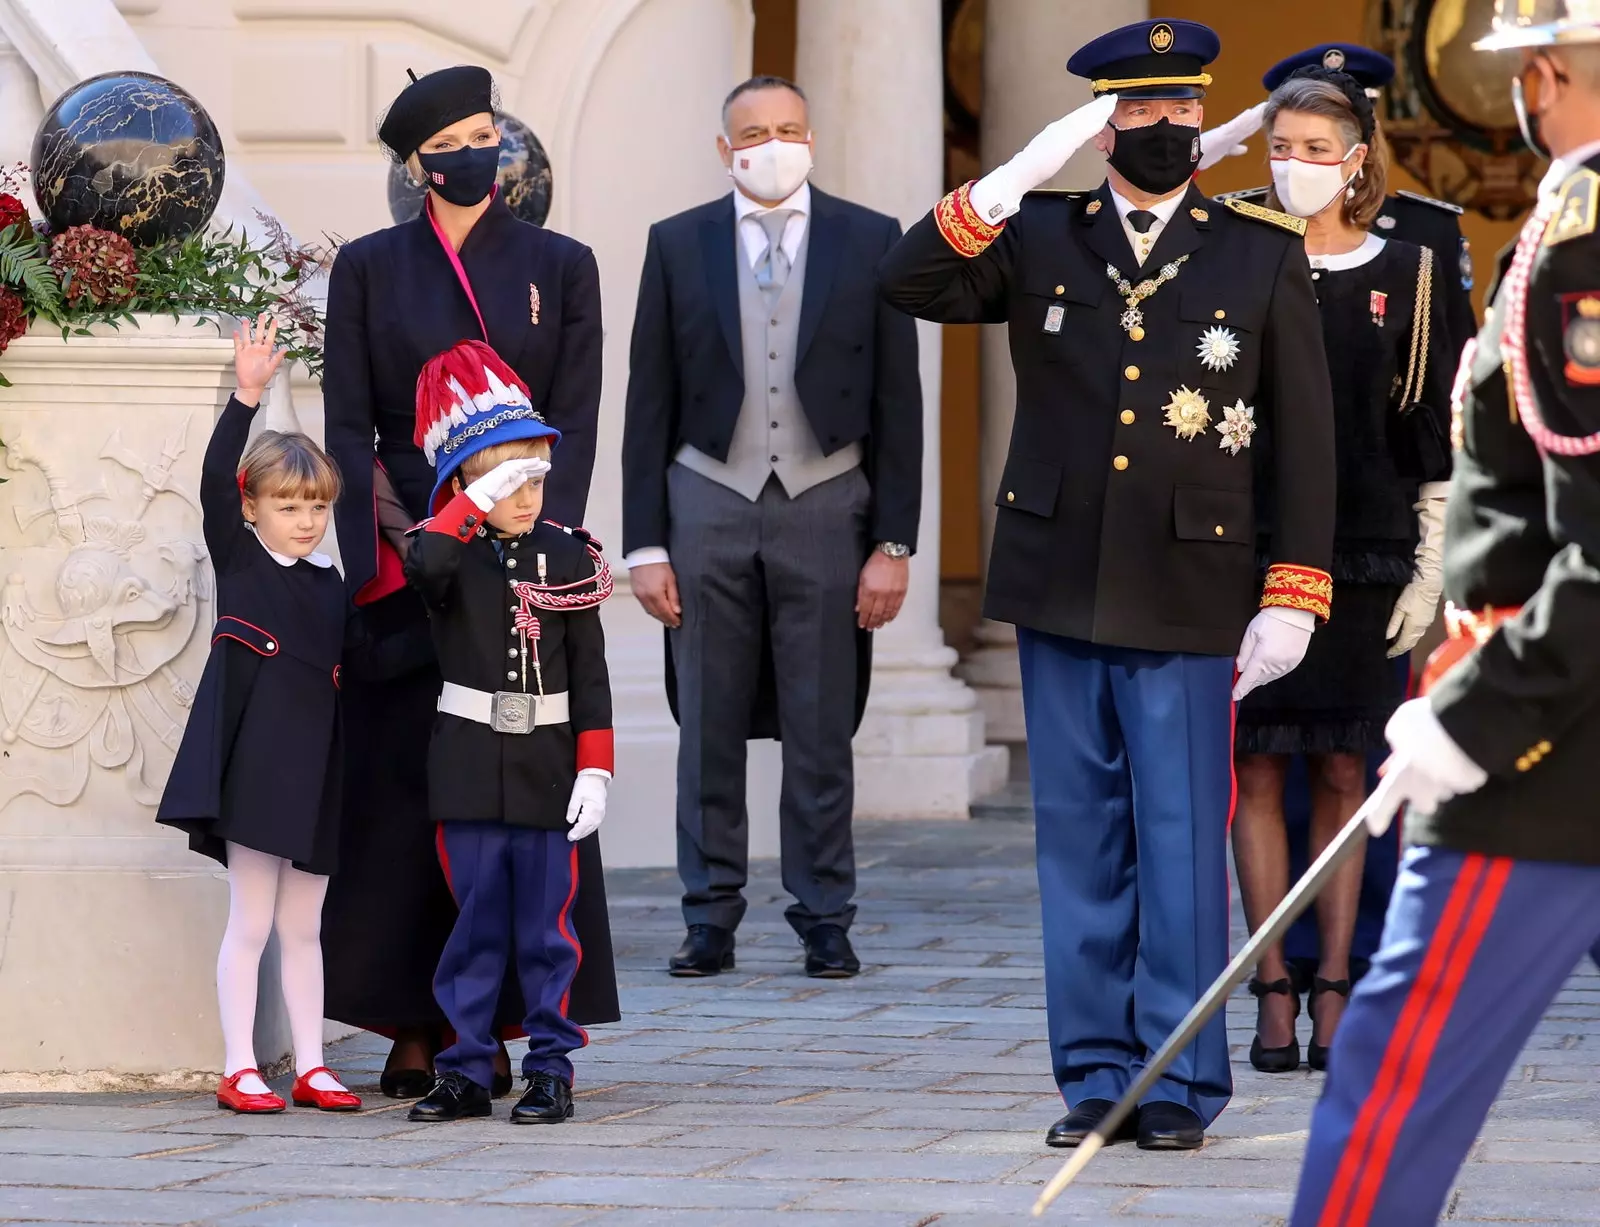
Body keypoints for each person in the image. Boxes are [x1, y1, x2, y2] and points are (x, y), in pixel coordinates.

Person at [879, 19, 1336, 1152]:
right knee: (1077, 841)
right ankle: (1094, 1074)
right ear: (1100, 130)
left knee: (1180, 841)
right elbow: (908, 281)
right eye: (1139, 112)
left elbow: (1306, 440)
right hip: (1057, 578)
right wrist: (1009, 177)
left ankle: (1175, 1081)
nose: (1167, 127)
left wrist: (1292, 590)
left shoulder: (1256, 248)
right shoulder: (1041, 236)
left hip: (1191, 584)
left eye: (1183, 108)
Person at [1291, 4, 1600, 1221]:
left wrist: (1470, 718)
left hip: (1544, 751)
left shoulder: (1582, 239)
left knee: (1395, 1084)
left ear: (1540, 74)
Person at [319, 64, 614, 1100]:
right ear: (418, 161)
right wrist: (384, 560)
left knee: (523, 811)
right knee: (412, 803)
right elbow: (348, 427)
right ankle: (418, 1024)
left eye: (488, 129)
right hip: (412, 562)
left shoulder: (562, 263)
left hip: (524, 560)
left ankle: (525, 1026)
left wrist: (543, 541)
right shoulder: (366, 267)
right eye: (457, 135)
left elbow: (572, 421)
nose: (478, 149)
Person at [621, 74, 922, 980]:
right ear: (725, 148)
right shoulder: (677, 244)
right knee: (706, 716)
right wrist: (645, 542)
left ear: (812, 138)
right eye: (753, 131)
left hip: (830, 502)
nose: (771, 142)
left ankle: (824, 912)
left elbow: (899, 404)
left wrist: (894, 543)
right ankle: (708, 911)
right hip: (707, 497)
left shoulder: (872, 240)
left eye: (788, 127)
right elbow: (649, 400)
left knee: (821, 721)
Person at [1230, 68, 1454, 1076]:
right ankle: (1271, 986)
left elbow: (1431, 437)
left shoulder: (1404, 270)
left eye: (1318, 152)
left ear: (1356, 162)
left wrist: (1431, 564)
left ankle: (1334, 987)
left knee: (1340, 772)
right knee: (1254, 771)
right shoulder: (1230, 256)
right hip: (1242, 554)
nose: (1297, 168)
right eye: (1282, 150)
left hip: (1363, 559)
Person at [399, 340, 614, 1125]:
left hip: (548, 766)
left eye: (535, 474)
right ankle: (463, 1067)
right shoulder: (449, 552)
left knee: (547, 930)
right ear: (466, 481)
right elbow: (423, 562)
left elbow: (590, 674)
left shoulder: (567, 554)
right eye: (506, 478)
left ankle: (550, 1065)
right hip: (466, 762)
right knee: (474, 924)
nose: (526, 493)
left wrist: (597, 768)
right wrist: (470, 495)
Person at [157, 315, 360, 1115]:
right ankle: (239, 1063)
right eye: (289, 505)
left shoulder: (330, 585)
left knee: (304, 926)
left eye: (317, 507)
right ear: (253, 508)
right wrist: (246, 396)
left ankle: (311, 1064)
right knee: (251, 919)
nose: (306, 521)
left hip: (317, 773)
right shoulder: (241, 559)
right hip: (257, 775)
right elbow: (214, 479)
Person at [1203, 42, 1478, 357]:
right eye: (1283, 145)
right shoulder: (1238, 224)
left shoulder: (1424, 232)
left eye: (1317, 146)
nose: (1297, 161)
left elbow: (1452, 364)